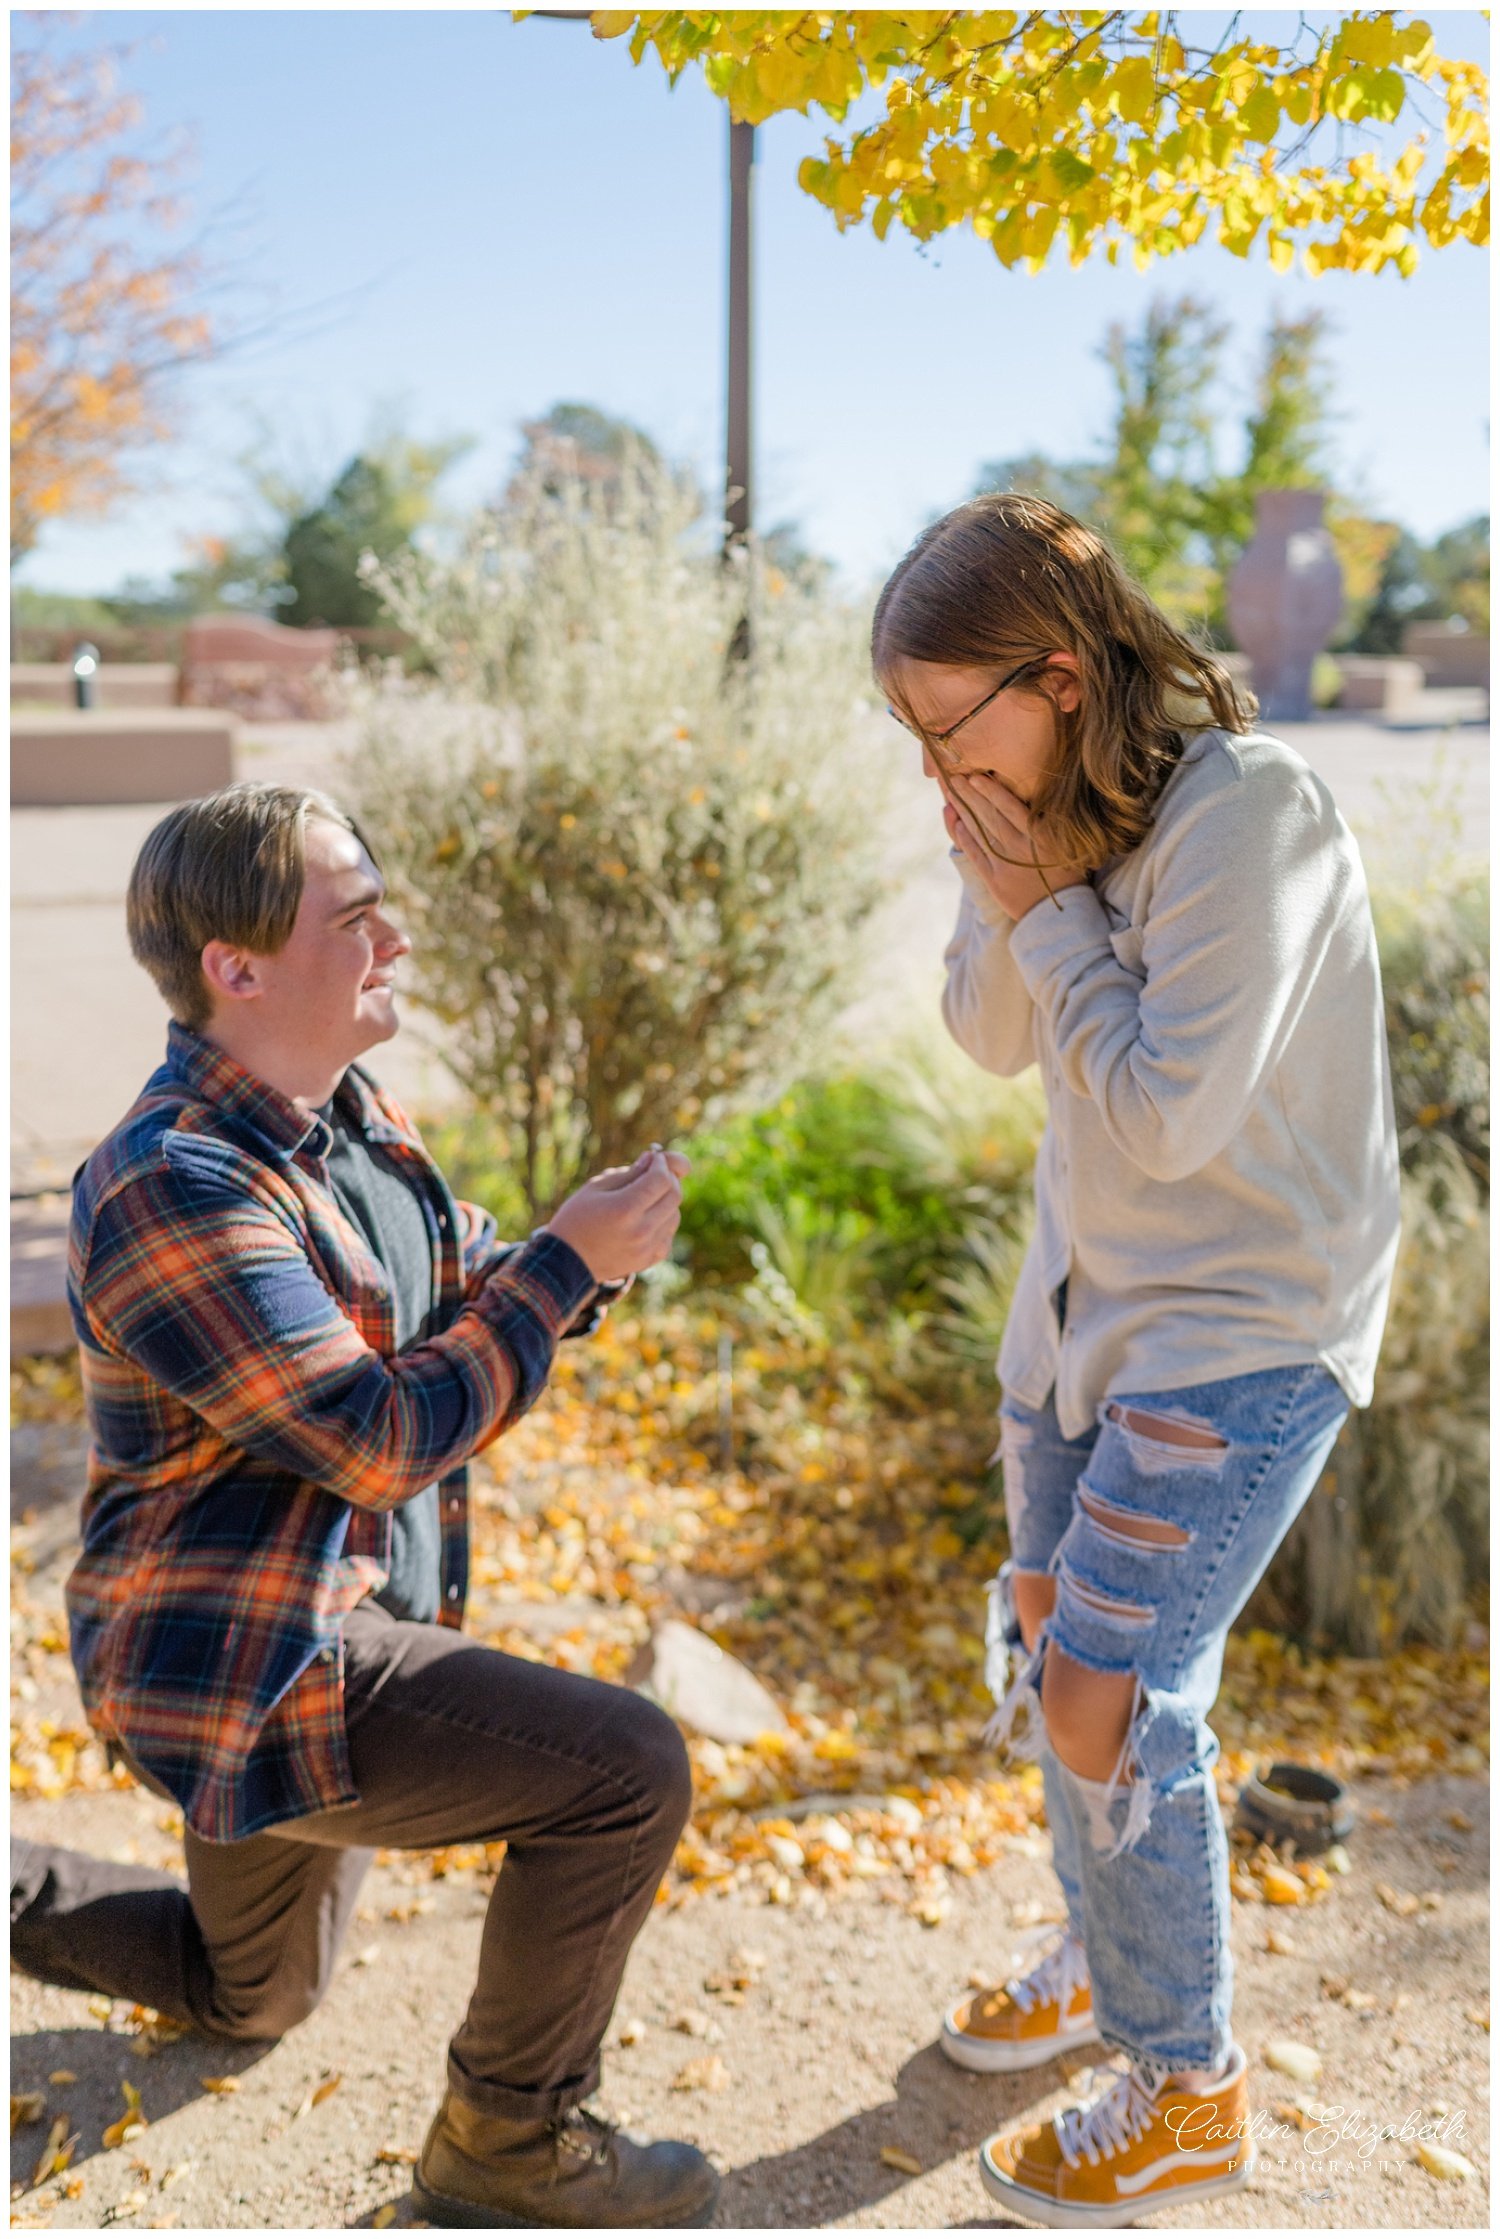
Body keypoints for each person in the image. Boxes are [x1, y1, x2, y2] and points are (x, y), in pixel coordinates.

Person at [10, 782, 719, 2230]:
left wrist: (578, 1257)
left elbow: (454, 1287)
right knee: (626, 1769)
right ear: (236, 966)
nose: (395, 938)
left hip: (334, 1616)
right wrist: (564, 1271)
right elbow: (378, 1438)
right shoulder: (169, 1185)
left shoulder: (348, 1116)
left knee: (253, 1996)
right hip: (245, 1664)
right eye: (357, 916)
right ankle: (507, 2148)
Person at [873, 495, 1400, 2228]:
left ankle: (1188, 2085)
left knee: (1112, 1693)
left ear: (1056, 672)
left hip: (1239, 1331)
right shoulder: (1051, 823)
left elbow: (1172, 1113)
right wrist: (1005, 879)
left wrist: (1040, 908)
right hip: (1077, 1322)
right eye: (912, 739)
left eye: (950, 728)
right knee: (1056, 1654)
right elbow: (989, 1033)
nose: (938, 769)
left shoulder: (1250, 813)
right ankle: (1108, 1953)